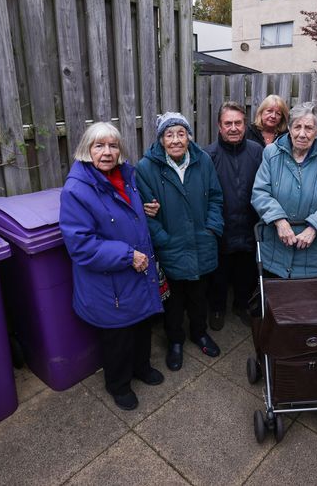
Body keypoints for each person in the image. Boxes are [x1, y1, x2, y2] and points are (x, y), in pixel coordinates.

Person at [60, 122, 164, 411]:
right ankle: (118, 385)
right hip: (111, 279)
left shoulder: (125, 175)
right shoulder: (76, 190)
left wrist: (143, 210)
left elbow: (119, 212)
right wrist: (128, 255)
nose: (107, 152)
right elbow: (81, 244)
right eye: (99, 146)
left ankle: (141, 367)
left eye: (113, 145)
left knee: (142, 323)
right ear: (87, 150)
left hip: (138, 271)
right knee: (118, 335)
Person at [136, 112, 224, 372]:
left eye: (181, 134)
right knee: (172, 301)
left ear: (189, 137)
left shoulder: (203, 160)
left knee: (199, 296)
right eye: (169, 134)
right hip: (170, 245)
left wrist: (212, 229)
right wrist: (163, 239)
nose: (175, 140)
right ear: (161, 140)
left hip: (201, 242)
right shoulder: (146, 168)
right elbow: (144, 213)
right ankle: (175, 341)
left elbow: (216, 197)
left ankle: (199, 333)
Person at [251, 102, 317, 279]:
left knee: (309, 296)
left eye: (309, 128)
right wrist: (279, 221)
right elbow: (260, 192)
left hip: (312, 253)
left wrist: (314, 227)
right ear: (289, 128)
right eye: (297, 127)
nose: (302, 134)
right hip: (275, 249)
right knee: (273, 295)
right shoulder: (271, 153)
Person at [204, 101, 263, 330]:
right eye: (228, 123)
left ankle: (241, 305)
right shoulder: (208, 155)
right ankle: (217, 308)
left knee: (245, 272)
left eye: (238, 123)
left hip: (250, 225)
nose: (233, 128)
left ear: (245, 125)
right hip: (222, 228)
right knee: (219, 274)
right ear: (219, 126)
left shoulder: (257, 152)